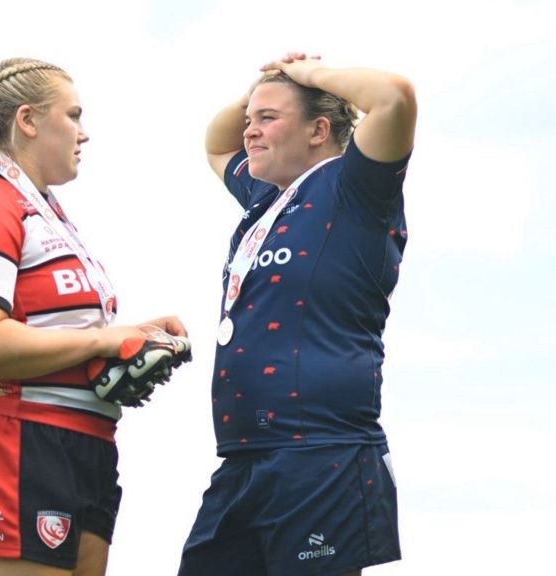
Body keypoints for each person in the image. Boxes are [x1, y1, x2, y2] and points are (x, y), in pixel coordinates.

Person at [0, 57, 187, 576]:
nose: (84, 133)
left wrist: (132, 337)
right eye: (73, 115)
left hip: (82, 442)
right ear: (28, 120)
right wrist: (104, 343)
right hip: (5, 433)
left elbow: (56, 330)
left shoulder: (47, 212)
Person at [178, 53, 417, 576]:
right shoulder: (267, 196)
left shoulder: (355, 185)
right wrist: (263, 89)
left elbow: (393, 96)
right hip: (245, 458)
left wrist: (308, 74)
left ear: (319, 130)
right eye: (250, 121)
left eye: (268, 120)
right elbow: (215, 143)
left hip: (321, 455)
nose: (250, 132)